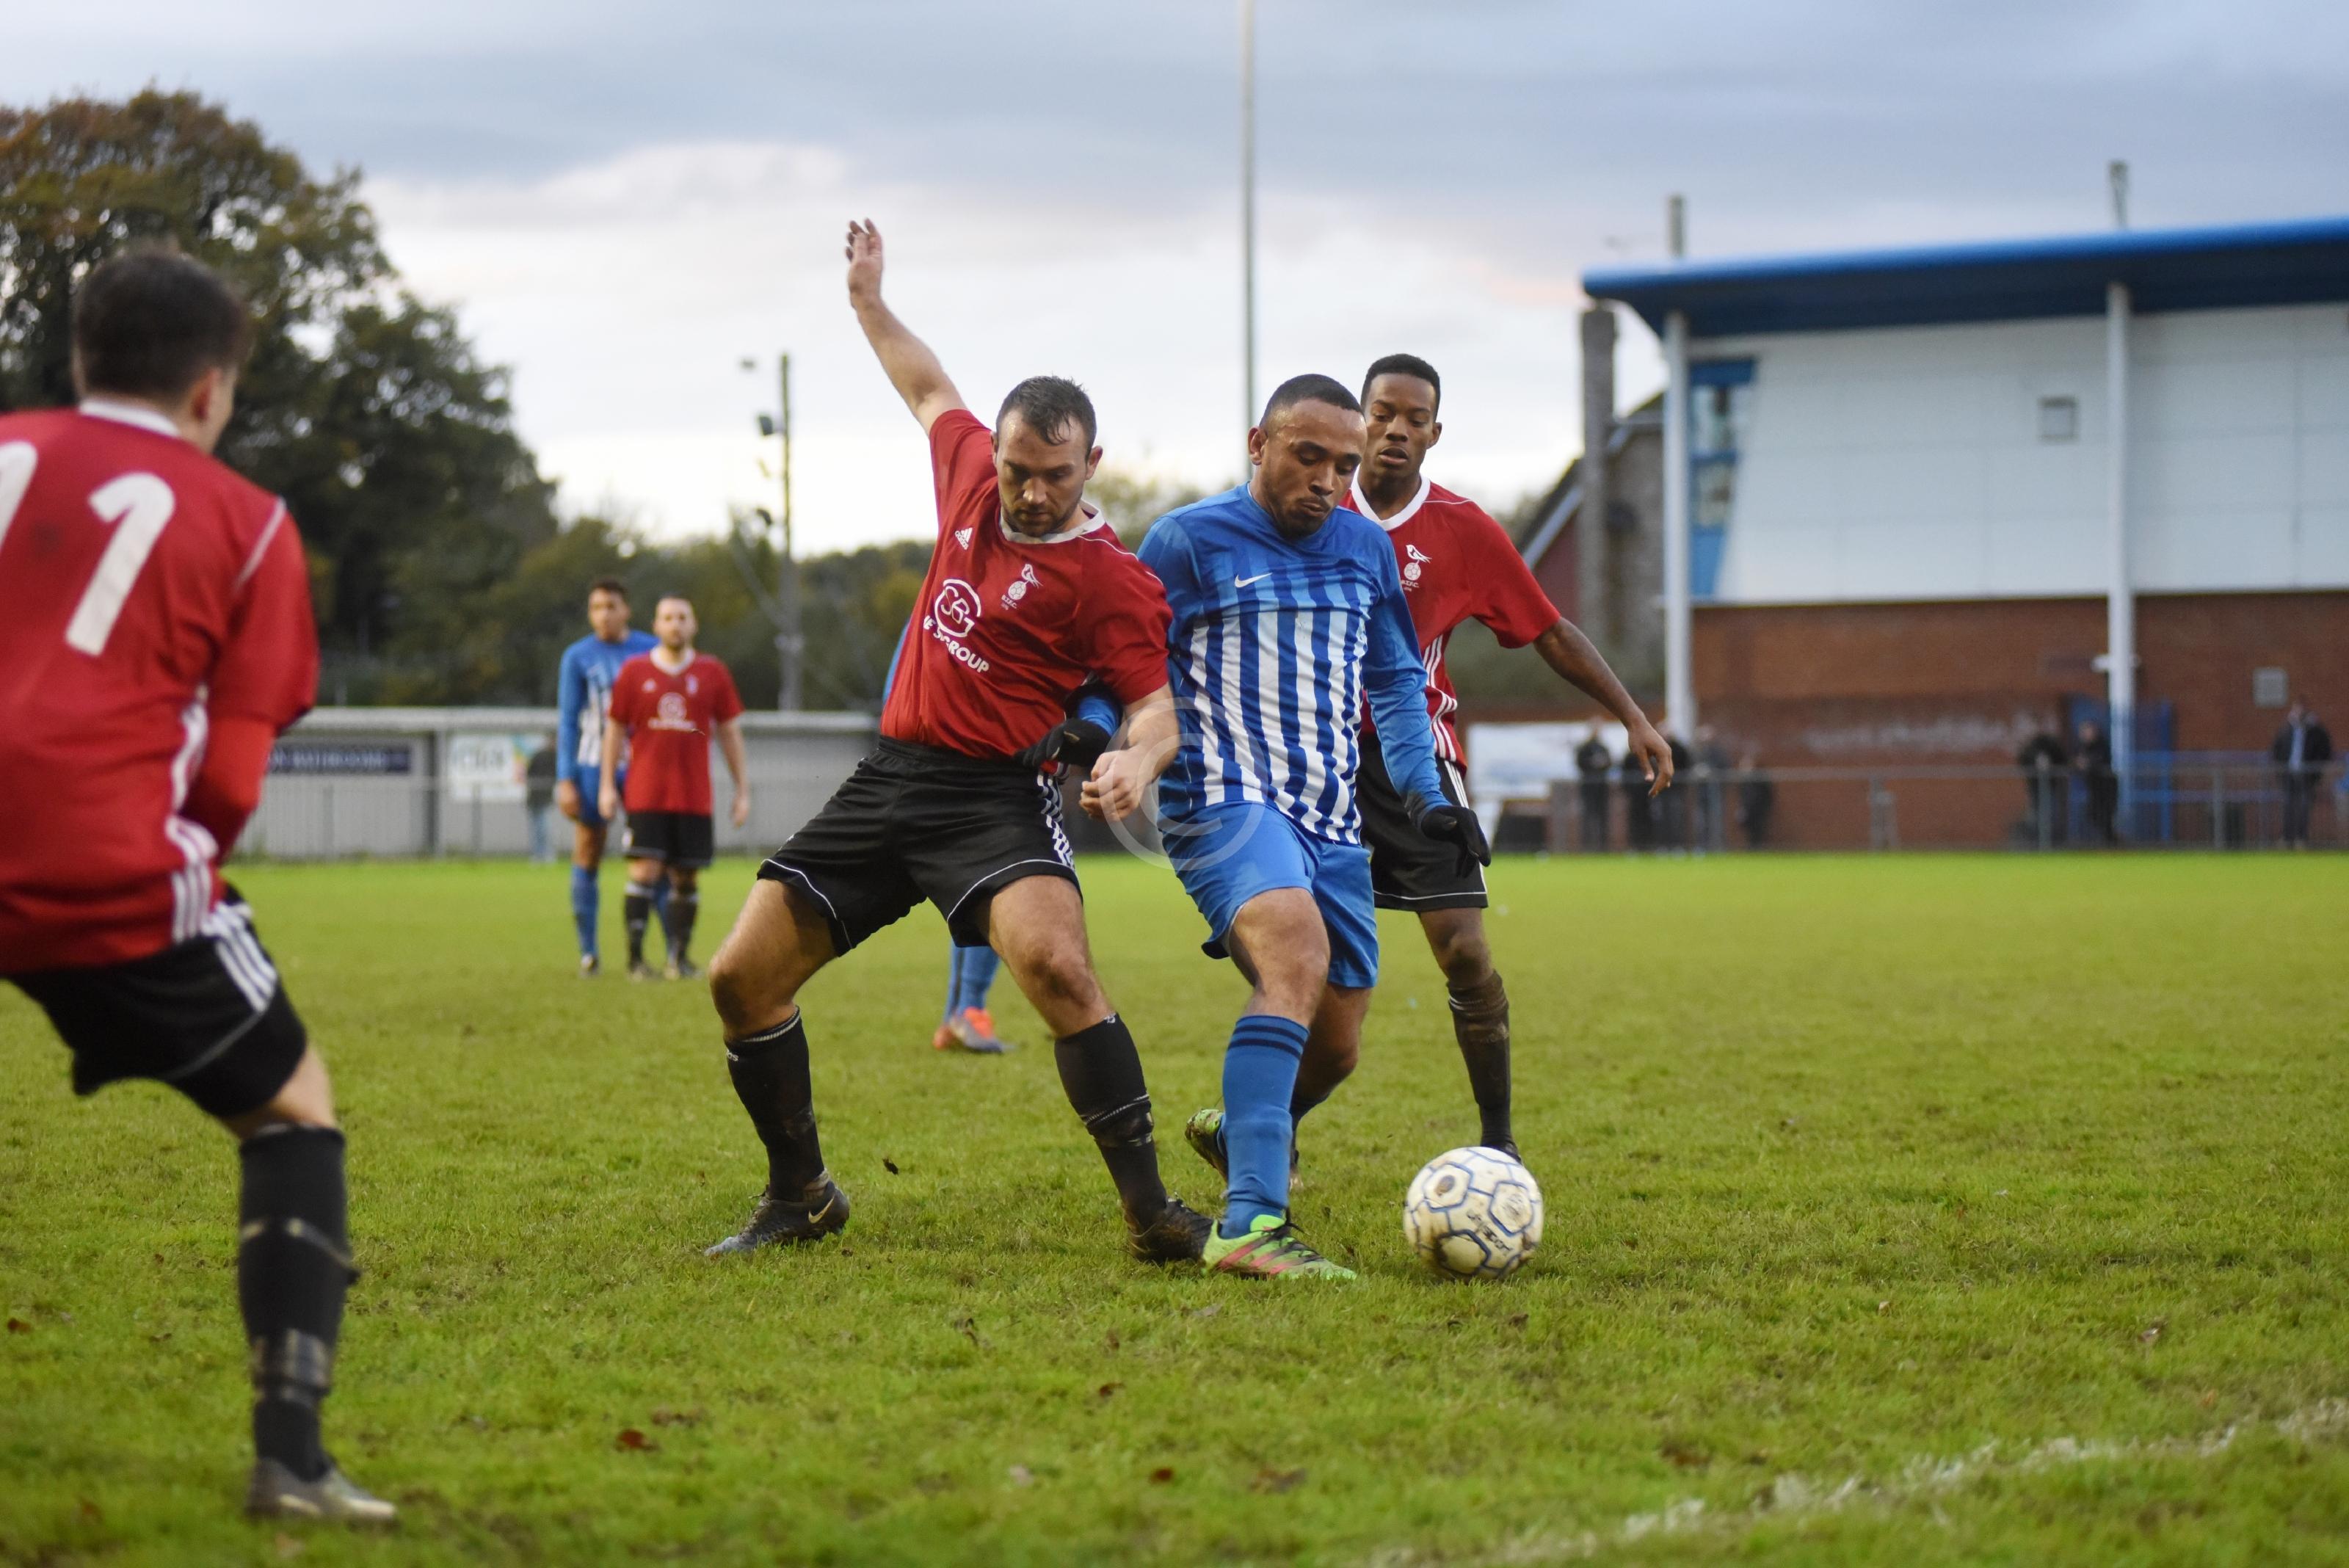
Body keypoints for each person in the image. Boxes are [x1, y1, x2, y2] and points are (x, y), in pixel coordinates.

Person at [699, 219, 1209, 1266]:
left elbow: (1156, 705)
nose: (1028, 490)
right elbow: (928, 389)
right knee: (739, 979)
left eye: (1053, 475)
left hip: (992, 801)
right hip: (890, 783)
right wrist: (869, 304)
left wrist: (1136, 757)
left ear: (1091, 464)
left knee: (1059, 969)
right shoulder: (973, 474)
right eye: (1019, 467)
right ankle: (801, 1195)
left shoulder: (1112, 578)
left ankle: (1153, 1213)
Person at [0, 247, 391, 1521]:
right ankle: (292, 1457)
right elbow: (226, 782)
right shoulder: (248, 521)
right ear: (212, 391)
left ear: (76, 360)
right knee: (292, 1111)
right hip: (99, 870)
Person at [1131, 373, 1490, 1280]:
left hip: (1329, 817)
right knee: (1292, 955)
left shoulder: (1364, 550)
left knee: (1335, 1045)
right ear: (1258, 445)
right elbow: (1122, 660)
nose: (1328, 479)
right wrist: (1115, 742)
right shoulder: (1186, 540)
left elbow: (1396, 685)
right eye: (1307, 457)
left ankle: (1246, 1128)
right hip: (1222, 800)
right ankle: (1251, 1225)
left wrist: (1427, 797)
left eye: (1341, 463)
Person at [1337, 354, 1669, 1157]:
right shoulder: (1311, 508)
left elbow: (1547, 628)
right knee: (1311, 972)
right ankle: (1270, 1138)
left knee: (1461, 946)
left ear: (1434, 434)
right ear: (1358, 417)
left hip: (1416, 760)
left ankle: (1499, 1143)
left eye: (1415, 419)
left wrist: (1631, 715)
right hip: (1315, 763)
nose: (1396, 430)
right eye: (1383, 412)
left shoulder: (1462, 529)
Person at [598, 596, 749, 980]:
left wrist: (742, 789)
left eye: (682, 617)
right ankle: (635, 962)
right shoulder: (634, 672)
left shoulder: (712, 673)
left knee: (687, 876)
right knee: (644, 870)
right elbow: (615, 729)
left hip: (694, 795)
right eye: (668, 618)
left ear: (693, 625)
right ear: (656, 625)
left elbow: (730, 732)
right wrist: (606, 786)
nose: (675, 625)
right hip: (647, 792)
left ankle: (678, 960)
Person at [555, 579, 658, 975]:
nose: (603, 614)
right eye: (596, 607)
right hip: (591, 765)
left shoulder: (649, 649)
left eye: (611, 606)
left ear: (626, 610)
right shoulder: (577, 657)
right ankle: (589, 952)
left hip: (642, 768)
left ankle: (664, 952)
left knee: (652, 855)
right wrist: (565, 778)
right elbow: (568, 720)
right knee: (588, 849)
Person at [2272, 698, 2333, 849]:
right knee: (2287, 806)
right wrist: (2280, 769)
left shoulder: (2315, 731)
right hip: (2289, 775)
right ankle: (2286, 838)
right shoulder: (2286, 730)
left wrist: (2316, 769)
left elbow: (2325, 750)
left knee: (2304, 807)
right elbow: (2276, 750)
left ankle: (2301, 839)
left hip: (2307, 775)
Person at [2016, 725, 2069, 848]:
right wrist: (2035, 762)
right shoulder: (2029, 746)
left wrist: (2050, 764)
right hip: (2034, 786)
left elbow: (2062, 759)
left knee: (2052, 814)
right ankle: (2036, 843)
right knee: (2035, 815)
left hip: (2051, 785)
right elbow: (2022, 761)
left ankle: (2053, 843)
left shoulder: (2049, 744)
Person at [2074, 719, 2118, 844]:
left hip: (2107, 787)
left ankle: (2110, 841)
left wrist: (2087, 764)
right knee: (2093, 814)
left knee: (2105, 815)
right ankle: (2109, 839)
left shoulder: (2102, 745)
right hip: (2094, 787)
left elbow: (2100, 761)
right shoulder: (2083, 747)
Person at [1575, 731, 1614, 851]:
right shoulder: (1584, 748)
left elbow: (1610, 763)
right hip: (1588, 786)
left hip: (1601, 787)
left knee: (1603, 816)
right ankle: (1587, 845)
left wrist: (1603, 763)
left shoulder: (1604, 748)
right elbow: (1580, 763)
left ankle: (1604, 845)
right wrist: (1591, 763)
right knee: (1588, 816)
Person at [525, 732, 559, 863]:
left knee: (545, 828)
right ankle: (538, 854)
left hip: (545, 798)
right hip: (535, 798)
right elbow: (530, 773)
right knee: (537, 829)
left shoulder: (554, 756)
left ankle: (547, 854)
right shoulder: (540, 756)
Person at [1735, 748, 1774, 849]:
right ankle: (1753, 849)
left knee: (1758, 831)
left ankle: (1757, 849)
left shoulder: (1758, 778)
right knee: (1750, 831)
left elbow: (1766, 794)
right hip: (1749, 810)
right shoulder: (1744, 782)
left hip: (1758, 810)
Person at [1620, 746, 1656, 851]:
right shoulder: (1629, 758)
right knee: (1634, 821)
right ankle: (1634, 845)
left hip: (1647, 795)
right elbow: (1624, 775)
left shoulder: (1649, 757)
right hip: (1634, 796)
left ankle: (1649, 845)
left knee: (1648, 820)